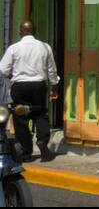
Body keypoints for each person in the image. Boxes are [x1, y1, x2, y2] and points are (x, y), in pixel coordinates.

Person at [0, 21, 59, 161]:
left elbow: (3, 70)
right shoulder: (45, 47)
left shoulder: (14, 48)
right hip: (38, 85)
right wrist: (54, 86)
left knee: (21, 118)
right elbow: (51, 69)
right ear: (35, 31)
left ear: (20, 32)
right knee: (40, 114)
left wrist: (11, 75)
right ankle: (42, 141)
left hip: (20, 86)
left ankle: (26, 151)